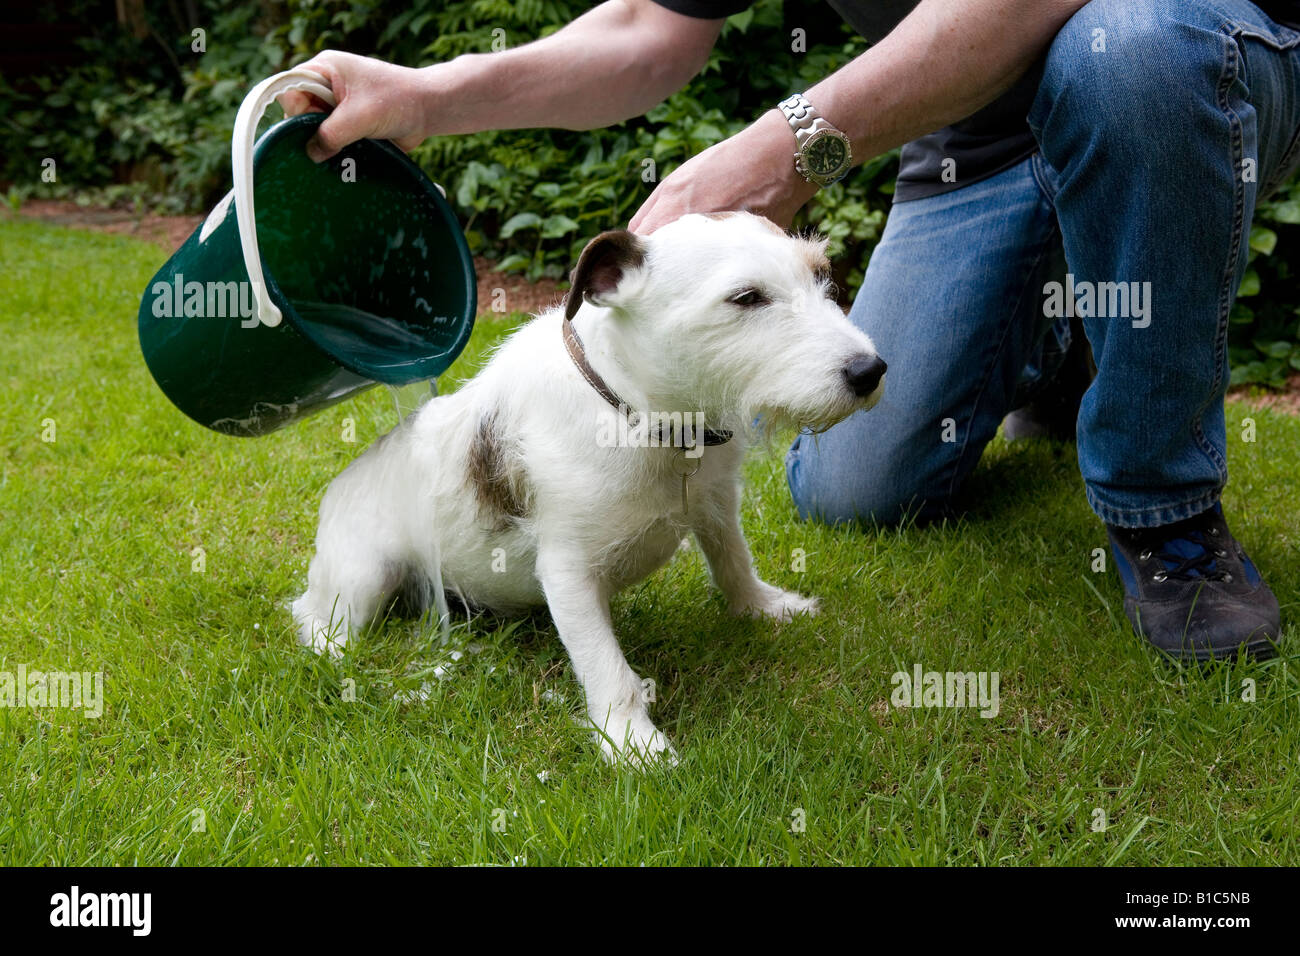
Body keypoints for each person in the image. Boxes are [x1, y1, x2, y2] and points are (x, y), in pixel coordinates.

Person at [279, 0, 1296, 661]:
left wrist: (791, 148)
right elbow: (643, 26)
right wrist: (426, 95)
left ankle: (1164, 511)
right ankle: (1054, 340)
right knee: (856, 484)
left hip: (1183, 60)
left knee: (1125, 51)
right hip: (975, 147)